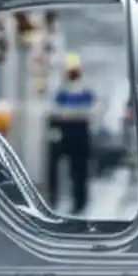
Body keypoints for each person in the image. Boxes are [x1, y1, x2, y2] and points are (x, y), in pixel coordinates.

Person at [47, 54, 95, 215]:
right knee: (54, 167)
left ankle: (79, 203)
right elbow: (54, 111)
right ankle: (53, 199)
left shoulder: (86, 90)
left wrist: (68, 114)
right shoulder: (61, 90)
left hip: (79, 133)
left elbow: (90, 112)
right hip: (65, 133)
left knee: (79, 171)